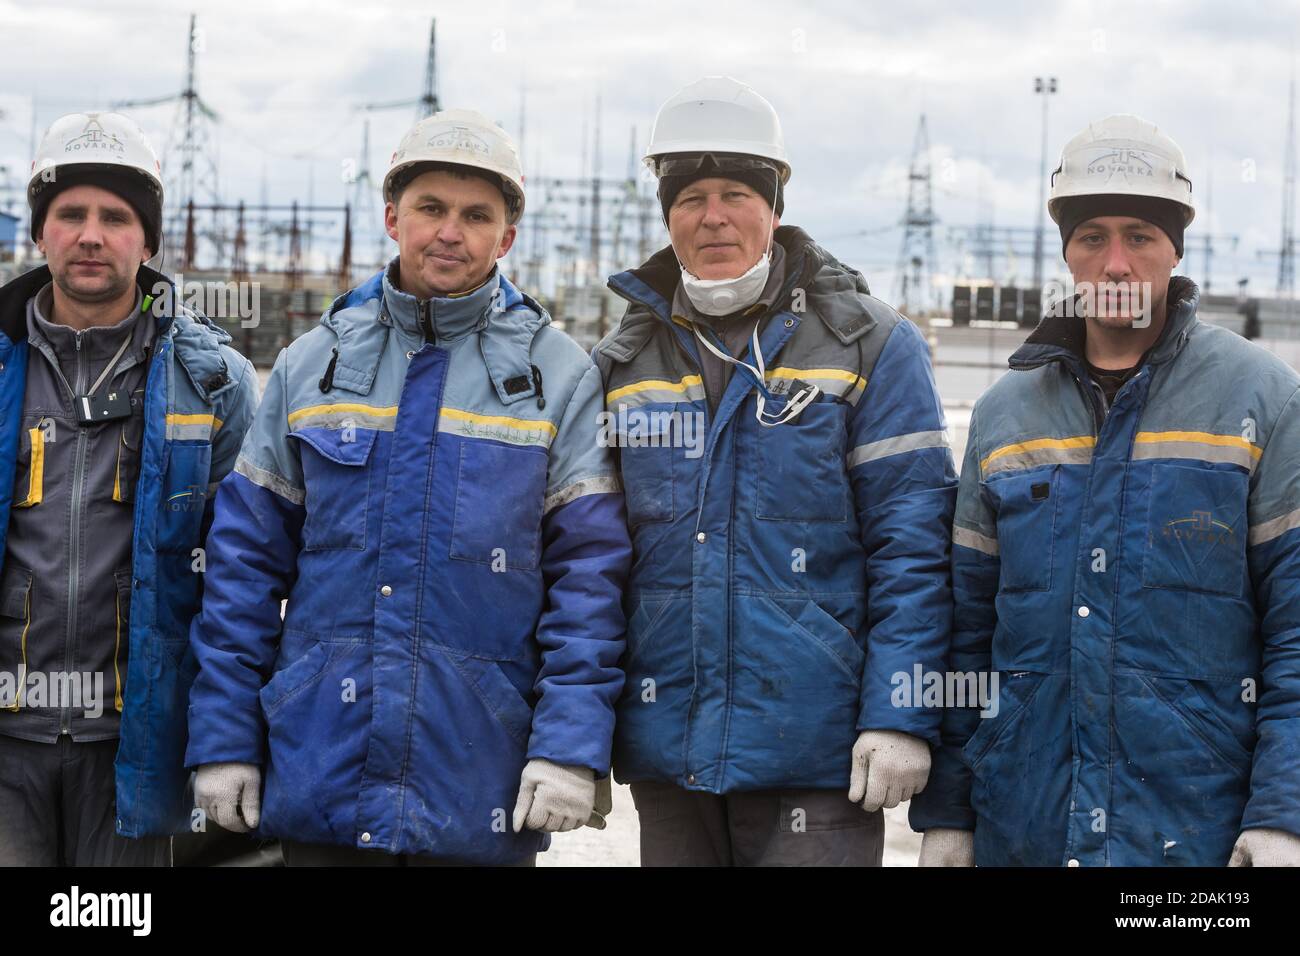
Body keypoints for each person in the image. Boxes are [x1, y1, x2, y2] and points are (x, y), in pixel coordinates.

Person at [185, 109, 631, 865]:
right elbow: (241, 570)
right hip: (321, 767)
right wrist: (224, 739)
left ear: (507, 238)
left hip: (480, 784)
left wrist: (568, 748)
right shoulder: (311, 365)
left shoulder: (558, 379)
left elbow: (589, 583)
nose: (449, 232)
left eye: (475, 215)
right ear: (393, 218)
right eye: (430, 208)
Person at [912, 115, 1300, 867]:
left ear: (1175, 249)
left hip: (1196, 835)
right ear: (1067, 250)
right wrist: (950, 813)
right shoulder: (1005, 414)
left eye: (1140, 237)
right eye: (1092, 237)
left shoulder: (1261, 399)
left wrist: (1283, 811)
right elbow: (963, 633)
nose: (1115, 263)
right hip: (1027, 828)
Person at [593, 77, 957, 866]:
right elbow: (589, 559)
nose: (713, 216)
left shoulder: (870, 346)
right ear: (667, 214)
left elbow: (914, 549)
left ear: (776, 207)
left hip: (816, 750)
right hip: (671, 741)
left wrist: (900, 714)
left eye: (735, 193)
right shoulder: (624, 360)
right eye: (690, 197)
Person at [0, 111, 258, 865]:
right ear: (39, 233)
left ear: (148, 241)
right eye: (69, 214)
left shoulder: (214, 384)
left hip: (136, 743)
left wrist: (224, 737)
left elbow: (242, 580)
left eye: (116, 218)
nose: (91, 234)